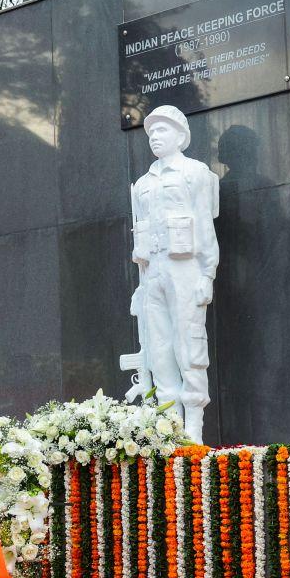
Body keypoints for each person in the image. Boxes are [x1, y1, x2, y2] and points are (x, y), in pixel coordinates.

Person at [126, 105, 219, 444]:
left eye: (162, 131)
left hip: (185, 269)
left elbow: (204, 225)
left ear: (180, 135)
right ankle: (169, 425)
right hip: (153, 271)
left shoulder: (194, 172)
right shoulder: (142, 184)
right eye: (151, 132)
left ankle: (193, 422)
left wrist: (207, 274)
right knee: (158, 347)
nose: (155, 137)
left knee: (188, 343)